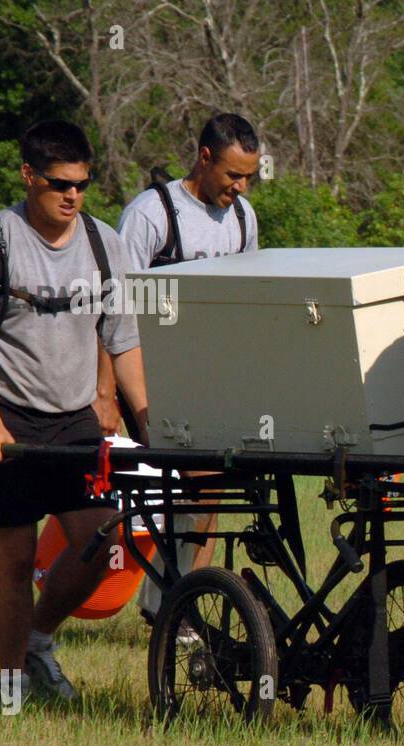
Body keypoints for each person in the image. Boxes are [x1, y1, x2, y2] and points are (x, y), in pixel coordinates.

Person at [0, 119, 147, 699]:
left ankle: (37, 639)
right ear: (29, 176)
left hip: (70, 413)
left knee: (99, 538)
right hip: (0, 408)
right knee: (16, 552)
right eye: (59, 184)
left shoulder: (107, 244)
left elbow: (123, 341)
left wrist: (150, 421)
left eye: (82, 184)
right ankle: (10, 685)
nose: (72, 196)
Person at [116, 114, 260, 610]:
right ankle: (165, 604)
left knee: (209, 493)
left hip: (213, 378)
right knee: (150, 501)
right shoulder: (150, 214)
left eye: (248, 177)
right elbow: (116, 310)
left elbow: (249, 303)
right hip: (151, 377)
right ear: (204, 157)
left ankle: (174, 609)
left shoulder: (244, 218)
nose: (240, 187)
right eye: (232, 175)